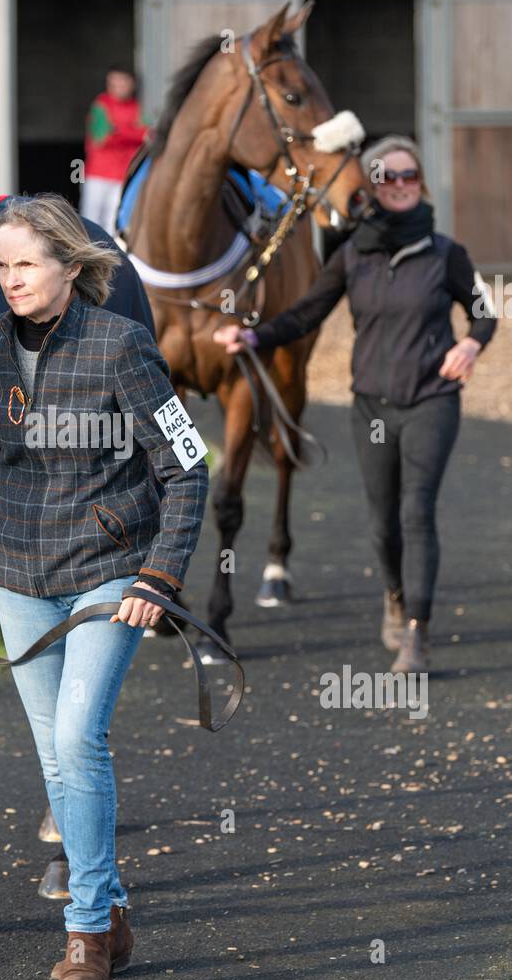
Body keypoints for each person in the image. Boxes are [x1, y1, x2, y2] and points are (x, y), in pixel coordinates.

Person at [0, 193, 209, 980]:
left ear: (71, 268)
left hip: (111, 568)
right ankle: (110, 909)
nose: (10, 279)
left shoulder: (122, 347)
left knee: (79, 741)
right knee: (53, 756)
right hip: (19, 574)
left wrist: (160, 575)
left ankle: (84, 935)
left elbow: (187, 467)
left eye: (26, 264)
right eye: (1, 265)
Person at [213, 135, 496, 676]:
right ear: (372, 188)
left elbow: (483, 309)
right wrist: (254, 338)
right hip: (371, 407)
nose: (401, 185)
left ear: (422, 183)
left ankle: (417, 631)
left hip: (432, 401)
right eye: (388, 177)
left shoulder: (444, 252)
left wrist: (471, 343)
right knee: (382, 524)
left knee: (417, 513)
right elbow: (305, 314)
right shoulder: (352, 255)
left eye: (410, 175)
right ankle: (394, 592)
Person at [79, 65, 147, 236]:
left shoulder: (138, 108)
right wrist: (134, 133)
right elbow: (103, 137)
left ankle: (113, 262)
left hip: (123, 175)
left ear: (132, 84)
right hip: (98, 174)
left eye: (123, 82)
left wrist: (119, 130)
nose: (118, 86)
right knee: (90, 222)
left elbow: (149, 136)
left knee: (115, 223)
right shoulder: (101, 104)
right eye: (113, 82)